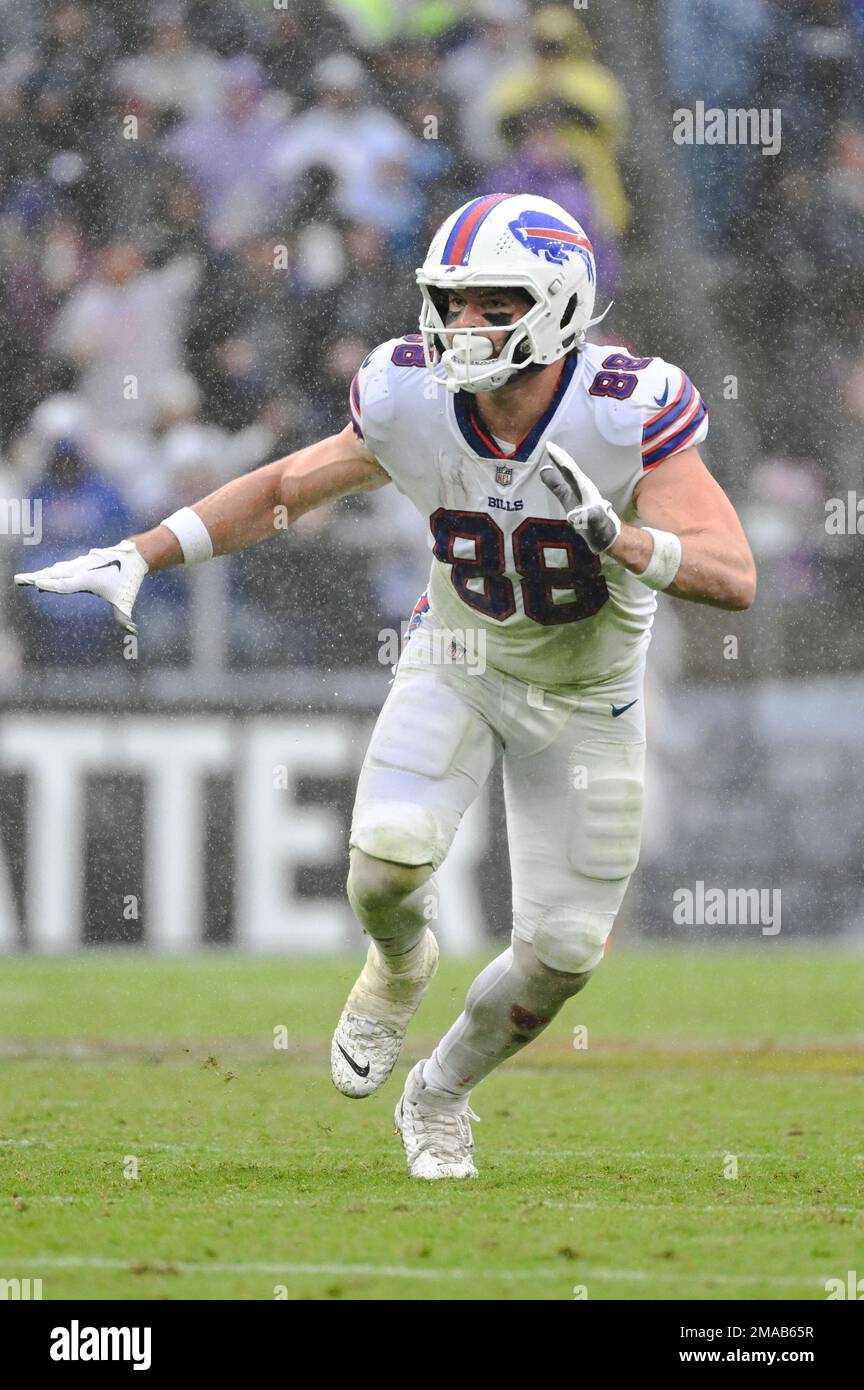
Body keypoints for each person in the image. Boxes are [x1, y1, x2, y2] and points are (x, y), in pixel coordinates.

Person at [15, 193, 756, 1180]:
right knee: (388, 864)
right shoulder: (409, 395)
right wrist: (144, 555)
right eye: (453, 303)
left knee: (567, 953)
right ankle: (401, 966)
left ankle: (440, 1090)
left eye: (495, 305)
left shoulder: (624, 406)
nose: (465, 327)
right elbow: (284, 490)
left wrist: (622, 539)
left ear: (559, 303)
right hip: (457, 658)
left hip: (592, 699)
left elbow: (732, 572)